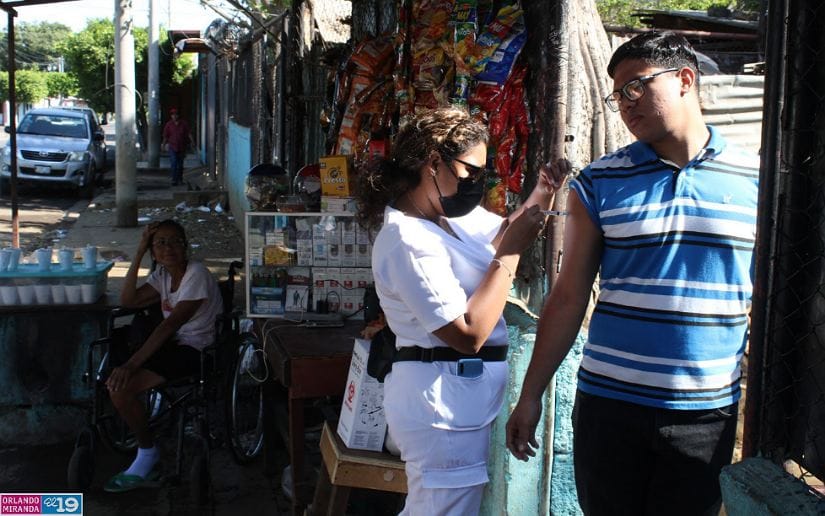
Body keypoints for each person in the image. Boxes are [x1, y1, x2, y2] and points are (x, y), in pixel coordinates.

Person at [505, 31, 759, 515]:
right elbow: (568, 295)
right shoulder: (599, 182)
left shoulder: (756, 180)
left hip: (706, 414)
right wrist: (530, 393)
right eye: (617, 93)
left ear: (685, 79)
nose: (624, 103)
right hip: (609, 406)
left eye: (636, 86)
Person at [355, 107, 563, 514]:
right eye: (470, 171)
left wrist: (543, 192)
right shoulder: (408, 240)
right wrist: (511, 254)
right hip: (440, 407)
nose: (476, 185)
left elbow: (503, 231)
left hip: (456, 402)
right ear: (433, 163)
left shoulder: (447, 218)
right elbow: (467, 334)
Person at [103, 219, 223, 492]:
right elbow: (128, 300)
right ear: (154, 252)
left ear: (186, 246)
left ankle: (146, 454)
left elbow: (170, 325)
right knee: (115, 384)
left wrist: (131, 366)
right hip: (173, 345)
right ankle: (147, 446)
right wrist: (139, 251)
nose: (169, 248)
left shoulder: (197, 274)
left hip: (197, 350)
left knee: (122, 387)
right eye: (161, 243)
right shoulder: (163, 276)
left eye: (175, 241)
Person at [161, 108, 193, 186]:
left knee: (180, 164)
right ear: (171, 116)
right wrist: (163, 145)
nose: (174, 116)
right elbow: (165, 136)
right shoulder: (169, 125)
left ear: (178, 115)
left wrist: (193, 142)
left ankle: (180, 179)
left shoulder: (184, 124)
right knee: (174, 163)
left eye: (176, 114)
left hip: (182, 146)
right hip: (172, 146)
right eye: (173, 115)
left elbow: (189, 133)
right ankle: (174, 180)